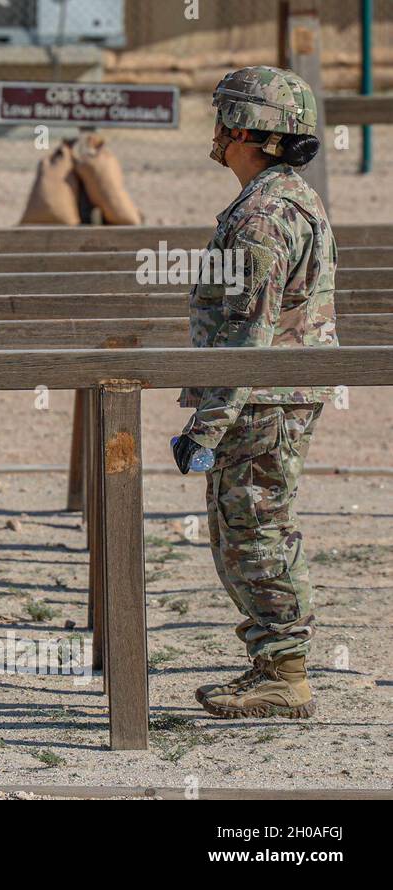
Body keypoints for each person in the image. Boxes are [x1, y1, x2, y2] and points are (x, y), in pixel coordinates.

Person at [170, 66, 336, 719]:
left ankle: (286, 675)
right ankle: (271, 664)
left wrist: (204, 431)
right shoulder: (283, 197)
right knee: (245, 529)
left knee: (257, 530)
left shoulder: (263, 217)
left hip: (261, 400)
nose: (213, 130)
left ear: (247, 129)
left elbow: (249, 333)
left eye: (222, 117)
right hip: (267, 397)